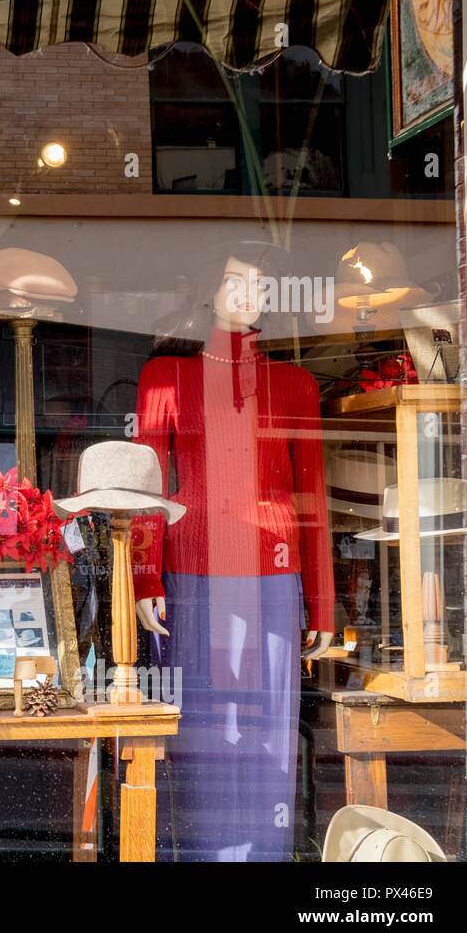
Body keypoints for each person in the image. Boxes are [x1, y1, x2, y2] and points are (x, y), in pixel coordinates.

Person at [130, 243, 335, 861]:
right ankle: (200, 855)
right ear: (208, 288)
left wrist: (322, 605)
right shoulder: (164, 377)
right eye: (234, 281)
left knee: (270, 728)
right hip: (190, 571)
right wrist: (145, 578)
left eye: (260, 285)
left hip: (275, 576)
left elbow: (312, 499)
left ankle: (265, 855)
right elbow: (145, 483)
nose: (248, 295)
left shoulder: (295, 385)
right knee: (199, 727)